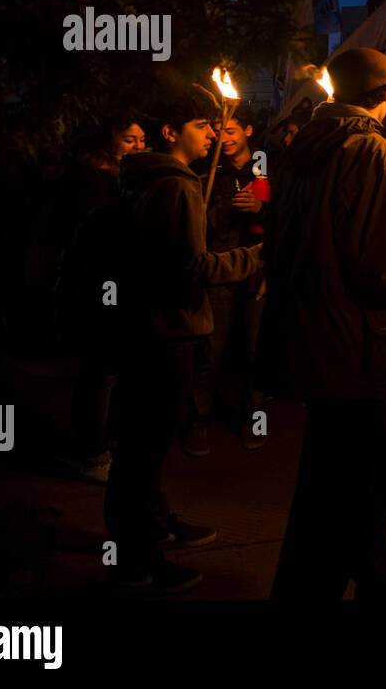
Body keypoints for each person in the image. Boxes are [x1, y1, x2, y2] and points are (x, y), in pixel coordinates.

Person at [256, 47, 386, 600]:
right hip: (354, 347)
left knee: (332, 486)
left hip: (315, 339)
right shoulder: (371, 151)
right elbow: (381, 266)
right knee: (365, 484)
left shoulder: (306, 144)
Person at [105, 84, 262, 596]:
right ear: (171, 132)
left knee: (144, 445)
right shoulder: (174, 187)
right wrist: (257, 257)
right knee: (144, 447)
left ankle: (152, 524)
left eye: (214, 125)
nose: (213, 133)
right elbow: (189, 267)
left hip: (153, 328)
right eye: (201, 126)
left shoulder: (155, 178)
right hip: (164, 332)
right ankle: (136, 561)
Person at [53, 113, 148, 484]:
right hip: (95, 282)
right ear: (108, 141)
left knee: (107, 368)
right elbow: (95, 234)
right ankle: (92, 453)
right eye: (129, 139)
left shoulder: (124, 176)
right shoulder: (93, 178)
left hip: (114, 281)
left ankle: (98, 440)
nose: (138, 146)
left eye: (142, 139)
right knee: (99, 369)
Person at [185, 104, 270, 455]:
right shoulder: (208, 168)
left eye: (231, 131)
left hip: (257, 270)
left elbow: (290, 214)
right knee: (209, 349)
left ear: (248, 131)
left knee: (256, 351)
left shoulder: (267, 164)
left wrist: (262, 208)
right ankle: (196, 423)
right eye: (218, 131)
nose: (224, 138)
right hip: (219, 268)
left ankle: (256, 419)